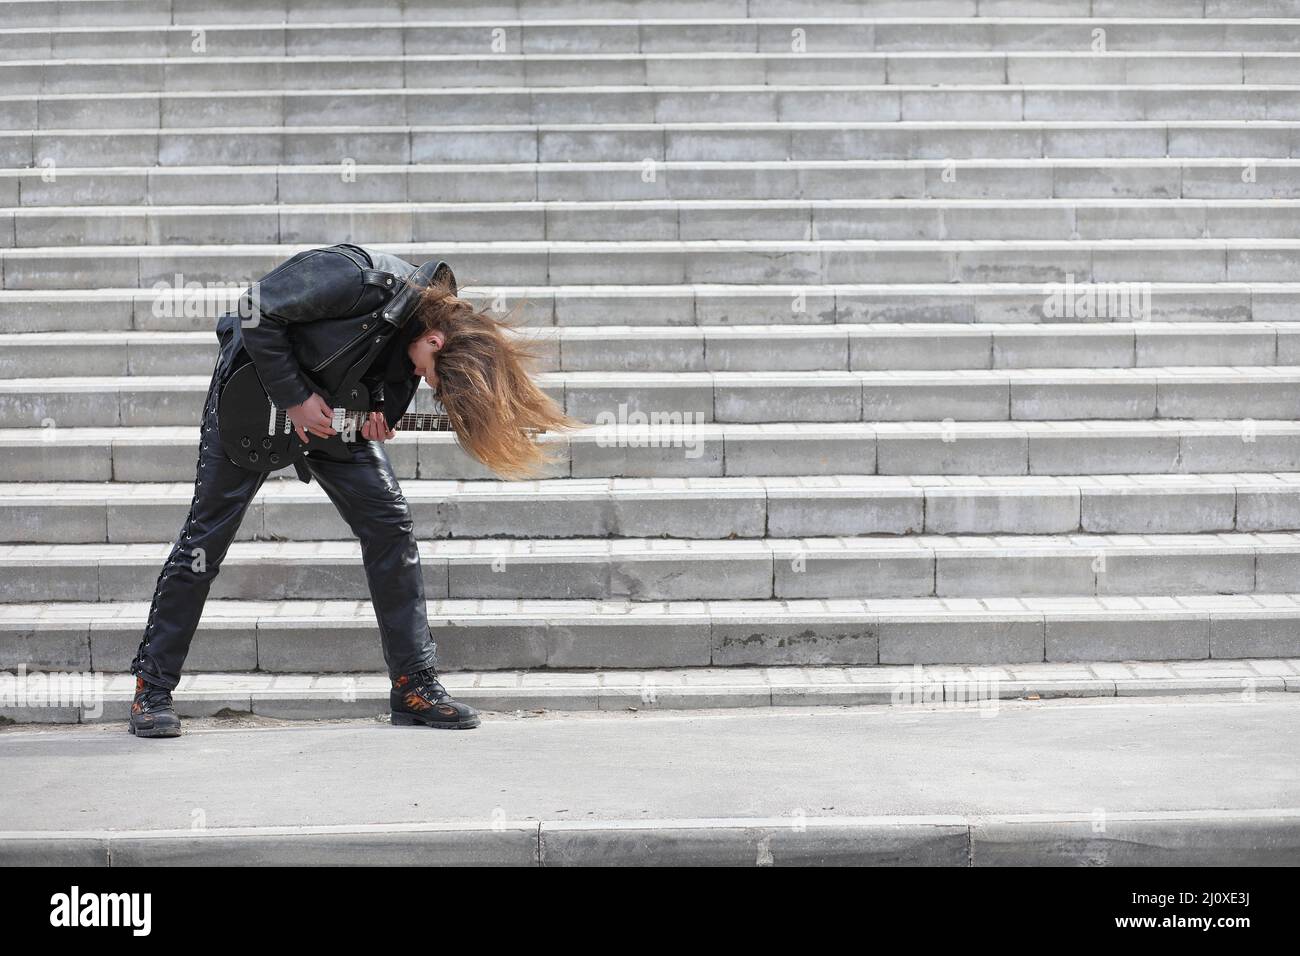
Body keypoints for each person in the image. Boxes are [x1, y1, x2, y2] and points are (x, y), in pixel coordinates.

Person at [126, 243, 580, 738]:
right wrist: (295, 399)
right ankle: (151, 690)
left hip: (333, 419)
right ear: (433, 338)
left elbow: (385, 386)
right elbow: (253, 310)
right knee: (204, 541)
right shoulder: (354, 277)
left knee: (390, 526)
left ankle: (414, 686)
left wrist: (378, 414)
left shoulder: (416, 345)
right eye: (430, 372)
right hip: (253, 396)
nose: (424, 380)